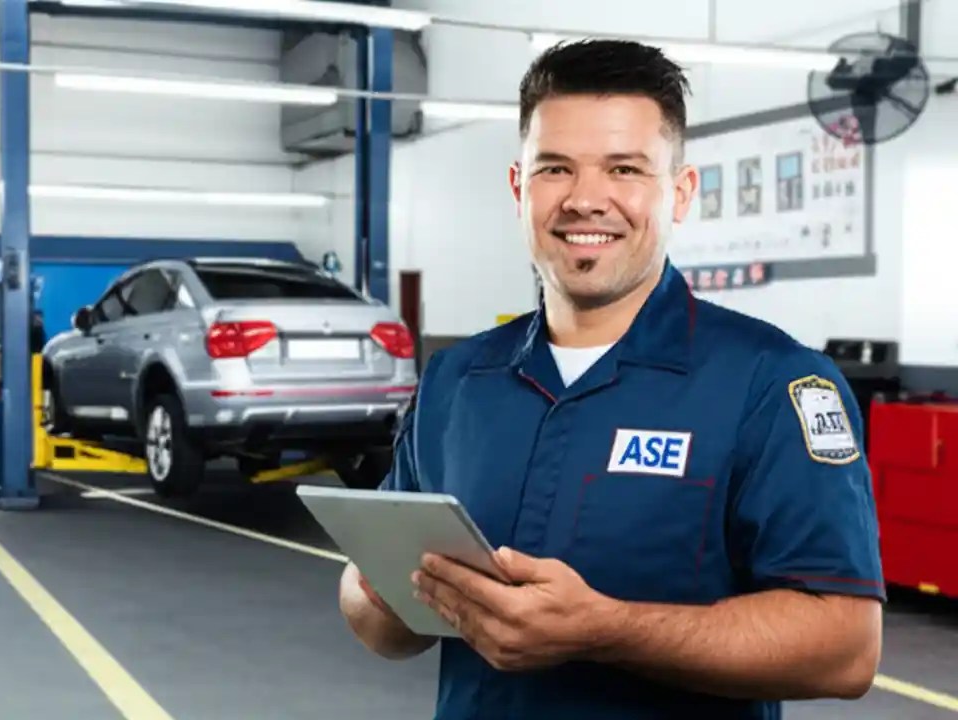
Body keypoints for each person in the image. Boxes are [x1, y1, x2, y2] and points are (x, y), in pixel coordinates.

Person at [337, 38, 884, 719]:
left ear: (679, 193)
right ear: (519, 188)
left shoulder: (773, 384)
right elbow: (378, 616)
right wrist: (377, 592)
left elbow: (846, 649)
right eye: (555, 168)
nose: (586, 199)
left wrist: (606, 629)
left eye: (624, 169)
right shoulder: (457, 381)